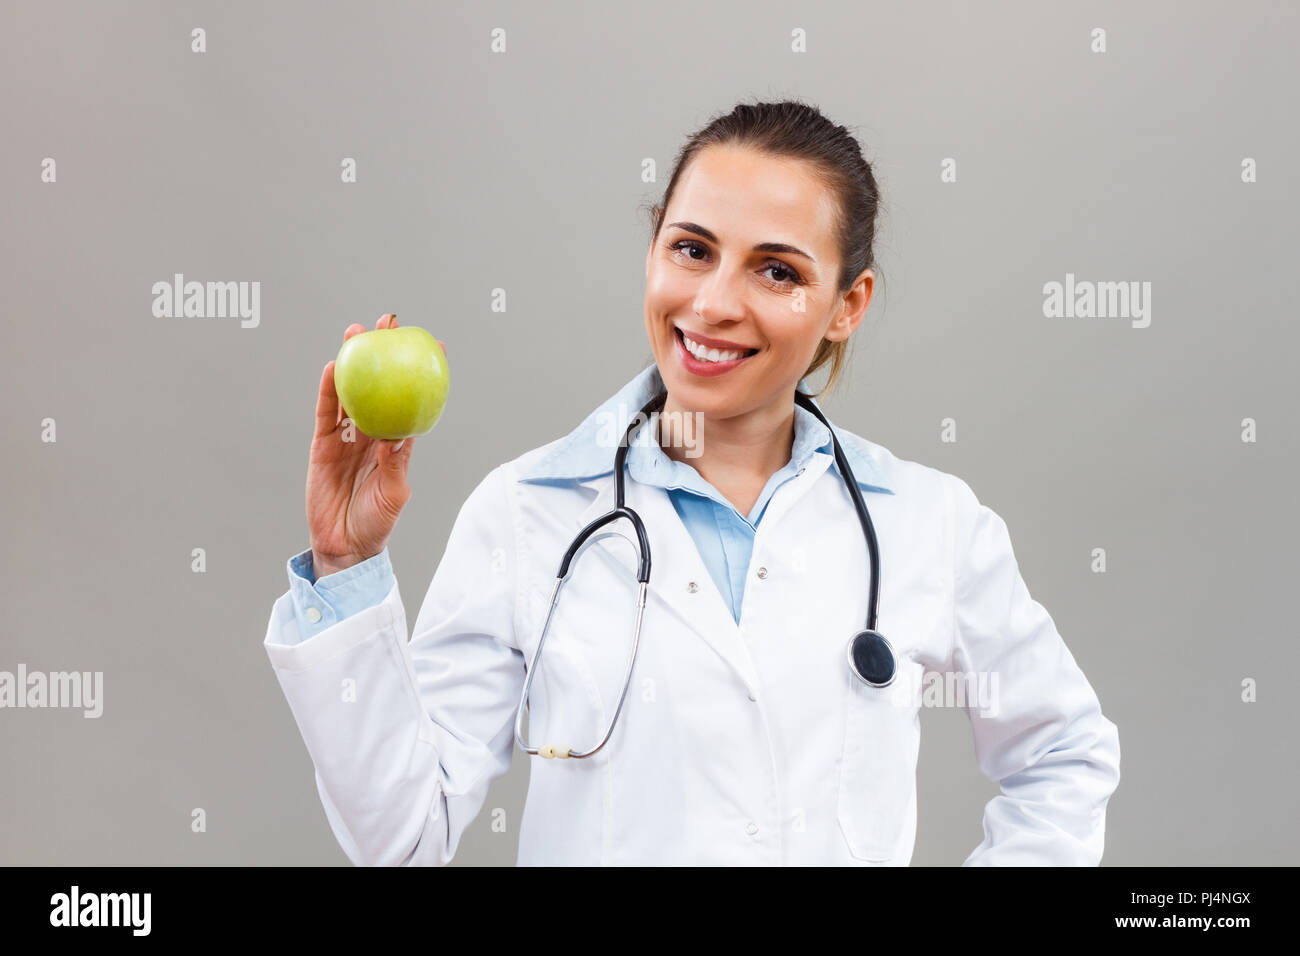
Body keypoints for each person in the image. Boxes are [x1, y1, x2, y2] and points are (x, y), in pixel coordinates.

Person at [263, 99, 1120, 866]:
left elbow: (1063, 756)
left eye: (776, 270)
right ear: (653, 253)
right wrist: (344, 566)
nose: (713, 303)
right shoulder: (527, 515)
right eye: (692, 249)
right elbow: (401, 838)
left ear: (846, 305)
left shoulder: (931, 525)